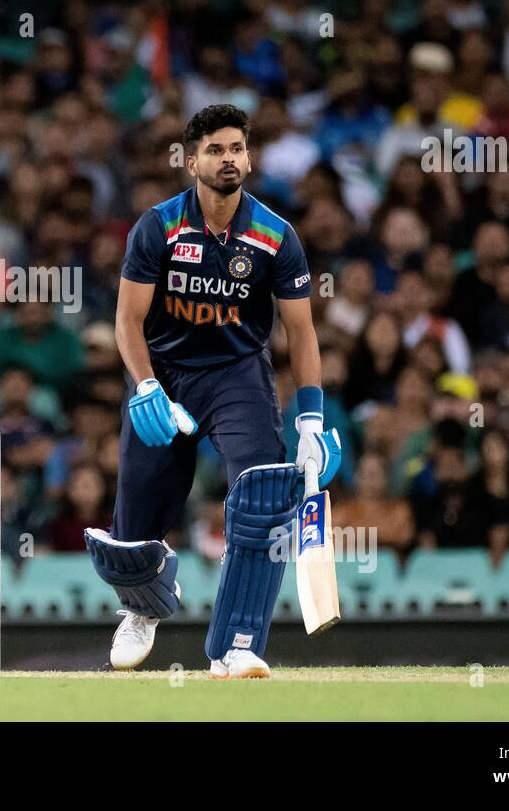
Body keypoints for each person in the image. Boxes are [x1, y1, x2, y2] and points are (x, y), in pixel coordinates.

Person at [85, 104, 339, 679]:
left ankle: (239, 643)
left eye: (237, 149)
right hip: (167, 371)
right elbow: (127, 322)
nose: (229, 159)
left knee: (265, 494)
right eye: (216, 150)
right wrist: (145, 385)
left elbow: (300, 331)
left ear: (249, 157)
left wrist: (311, 423)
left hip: (237, 374)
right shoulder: (158, 226)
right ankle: (140, 609)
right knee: (137, 517)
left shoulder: (275, 234)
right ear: (192, 158)